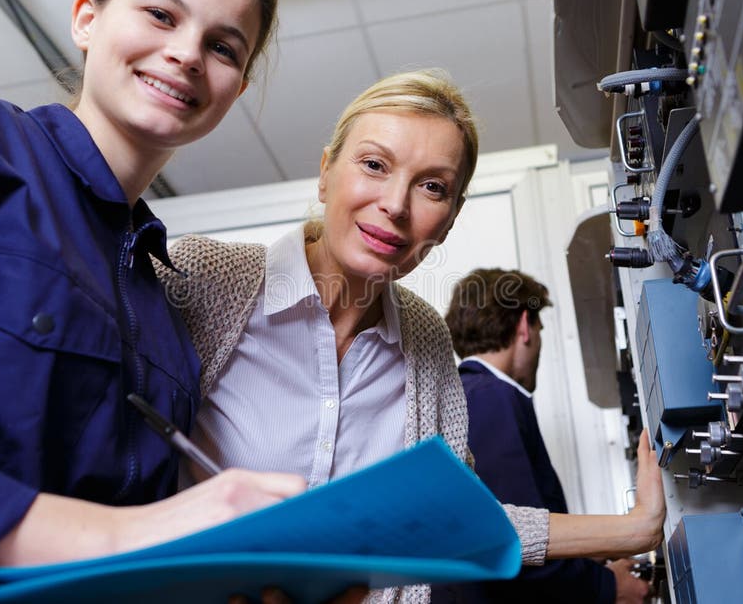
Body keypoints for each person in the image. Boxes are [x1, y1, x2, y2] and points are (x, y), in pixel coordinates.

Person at [0, 0, 309, 602]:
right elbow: (124, 536)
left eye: (222, 48)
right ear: (85, 20)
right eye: (161, 15)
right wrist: (115, 536)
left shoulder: (168, 324)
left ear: (233, 91)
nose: (187, 54)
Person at [159, 69, 666, 603]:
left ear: (450, 219)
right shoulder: (204, 279)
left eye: (432, 187)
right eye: (374, 165)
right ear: (326, 173)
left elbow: (457, 518)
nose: (396, 205)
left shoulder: (426, 339)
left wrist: (636, 528)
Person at [440, 268, 651, 603]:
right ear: (525, 325)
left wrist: (589, 552)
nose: (538, 343)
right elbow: (516, 544)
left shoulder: (472, 394)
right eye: (540, 329)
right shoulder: (489, 397)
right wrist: (609, 587)